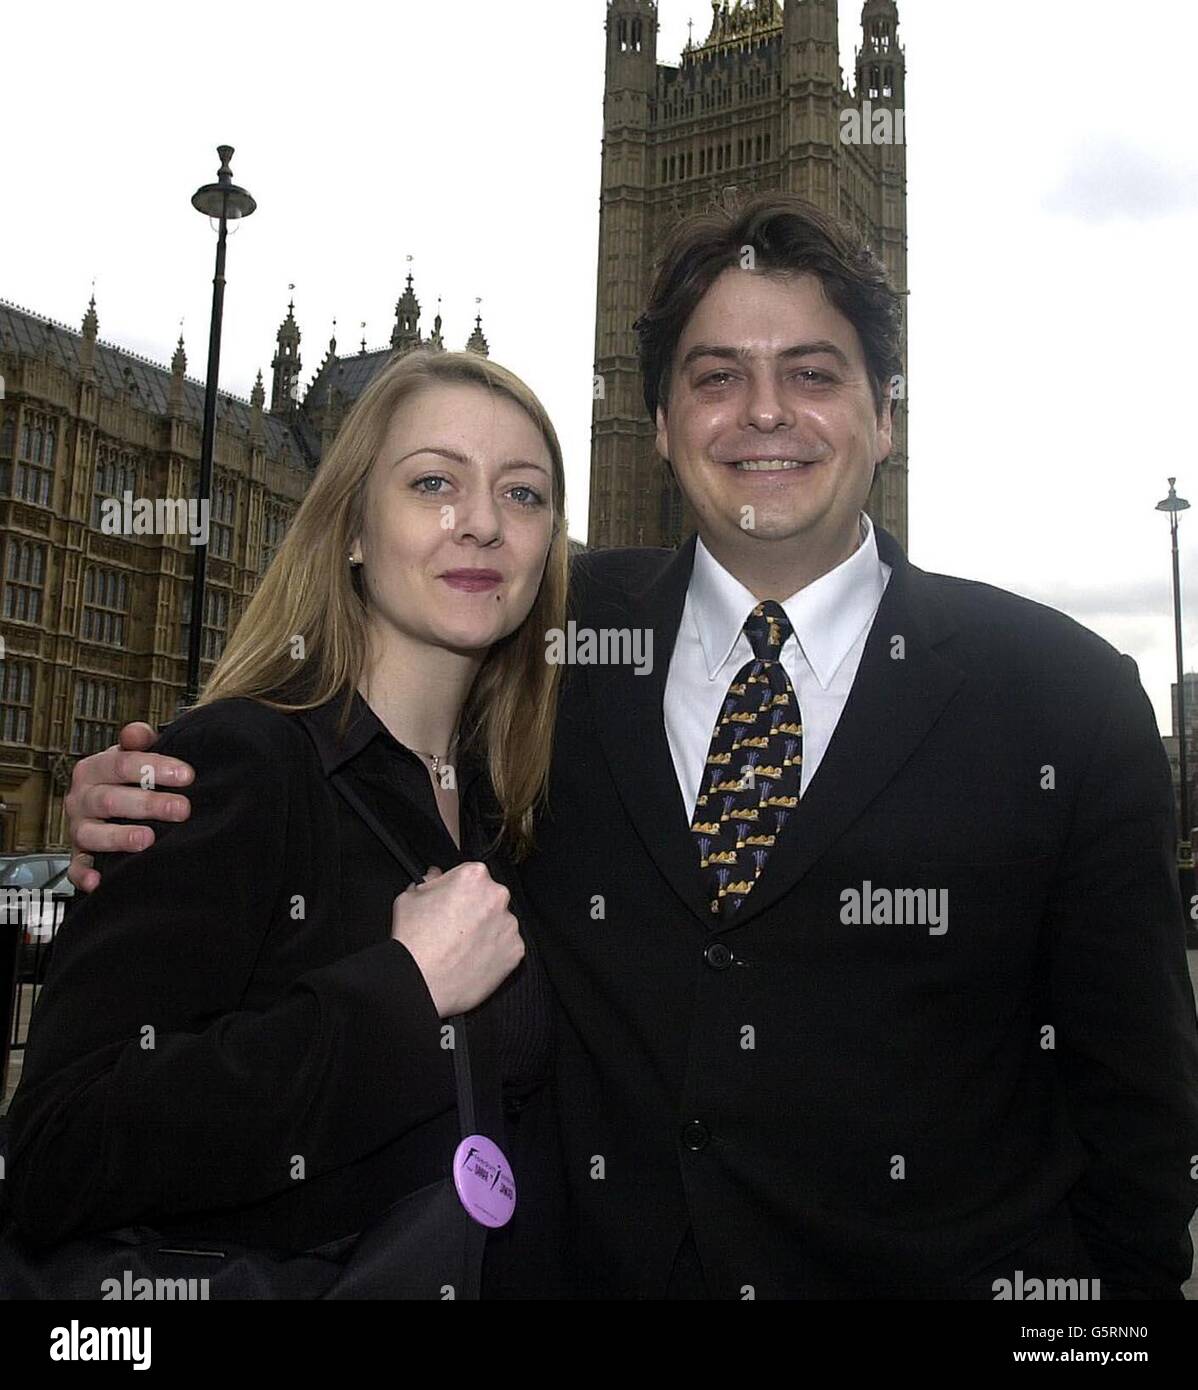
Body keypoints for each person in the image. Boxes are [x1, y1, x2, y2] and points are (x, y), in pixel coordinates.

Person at [64, 195, 1198, 1300]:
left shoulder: (1067, 703)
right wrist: (180, 789)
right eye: (715, 377)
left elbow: (1138, 1134)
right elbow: (339, 741)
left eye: (812, 371)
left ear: (886, 412)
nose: (764, 412)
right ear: (657, 425)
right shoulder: (539, 647)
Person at [5, 348, 569, 1299]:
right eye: (433, 482)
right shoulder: (237, 764)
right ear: (350, 526)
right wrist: (400, 991)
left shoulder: (511, 804)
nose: (479, 522)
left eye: (522, 495)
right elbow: (59, 1151)